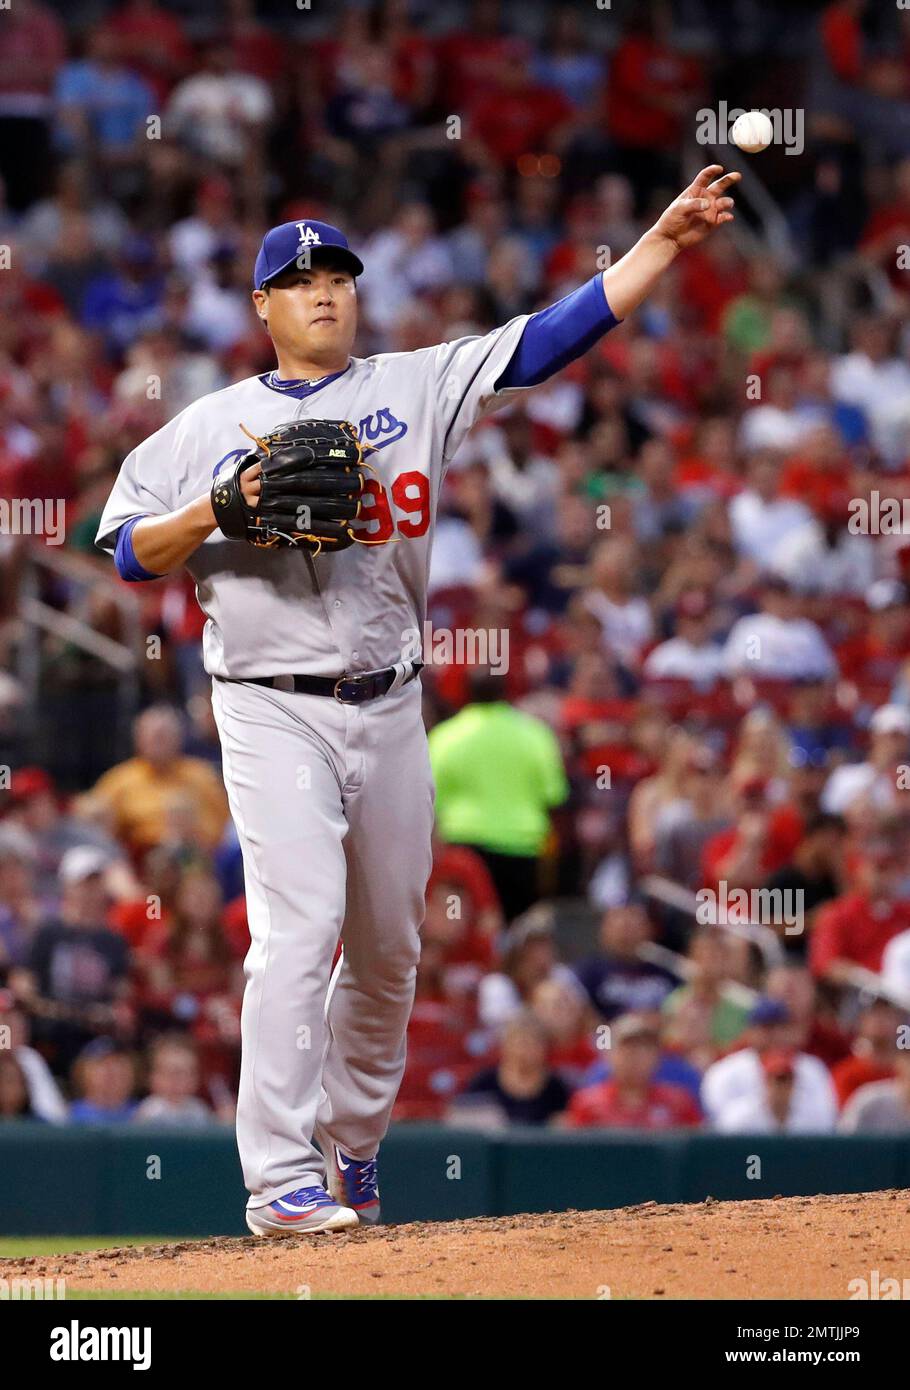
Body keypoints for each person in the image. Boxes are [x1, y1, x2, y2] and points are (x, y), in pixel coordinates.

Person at [94, 168, 741, 1235]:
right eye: (299, 281)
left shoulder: (416, 384)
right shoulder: (205, 427)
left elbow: (548, 339)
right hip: (266, 702)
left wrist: (661, 243)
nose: (323, 293)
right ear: (261, 305)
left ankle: (351, 1149)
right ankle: (278, 1179)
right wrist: (217, 508)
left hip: (391, 701)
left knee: (390, 949)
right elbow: (124, 551)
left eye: (338, 277)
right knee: (299, 929)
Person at [429, 668, 569, 920]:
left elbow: (430, 798)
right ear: (506, 691)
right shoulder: (535, 734)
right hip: (522, 845)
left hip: (464, 842)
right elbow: (554, 794)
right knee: (518, 926)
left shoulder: (445, 736)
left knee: (471, 925)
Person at [79, 705, 228, 856]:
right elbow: (91, 817)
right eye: (152, 736)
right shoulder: (120, 780)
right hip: (139, 859)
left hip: (198, 857)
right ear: (138, 739)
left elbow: (225, 825)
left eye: (163, 736)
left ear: (179, 738)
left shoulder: (202, 776)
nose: (157, 743)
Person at [700, 998, 838, 1132]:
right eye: (768, 1028)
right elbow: (719, 1124)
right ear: (750, 1031)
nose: (776, 1034)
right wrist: (763, 1106)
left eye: (781, 1027)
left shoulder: (812, 1068)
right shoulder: (725, 1071)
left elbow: (827, 1120)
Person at [563, 1013, 702, 1130]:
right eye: (628, 1049)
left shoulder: (678, 1103)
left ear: (656, 1057)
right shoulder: (588, 1104)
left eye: (644, 1049)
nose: (636, 1057)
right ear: (610, 1055)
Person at [456, 1012, 571, 1126]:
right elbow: (461, 1120)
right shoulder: (483, 1082)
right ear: (506, 1046)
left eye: (534, 1045)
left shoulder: (556, 1088)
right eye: (521, 1044)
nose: (526, 1052)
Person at [133, 1034, 217, 1126]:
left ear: (196, 1078)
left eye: (184, 1073)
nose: (175, 1081)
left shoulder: (200, 1111)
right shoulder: (148, 1112)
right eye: (167, 1072)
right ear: (152, 1077)